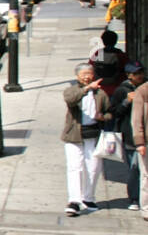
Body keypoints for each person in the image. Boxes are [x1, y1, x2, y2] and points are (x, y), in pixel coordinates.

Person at [62, 65, 112, 216]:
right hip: (74, 135)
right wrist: (86, 89)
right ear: (77, 76)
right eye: (83, 74)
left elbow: (109, 112)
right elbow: (70, 100)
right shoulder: (72, 90)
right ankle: (74, 201)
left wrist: (102, 117)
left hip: (93, 134)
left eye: (89, 74)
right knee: (75, 167)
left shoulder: (100, 93)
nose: (87, 77)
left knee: (94, 167)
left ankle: (88, 197)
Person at [110, 60, 146, 211]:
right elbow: (114, 112)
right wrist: (126, 102)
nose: (139, 76)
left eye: (140, 73)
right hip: (131, 135)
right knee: (134, 168)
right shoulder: (122, 90)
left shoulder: (145, 88)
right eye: (136, 74)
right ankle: (134, 198)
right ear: (129, 75)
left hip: (146, 133)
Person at [89, 29, 127, 98]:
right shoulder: (120, 54)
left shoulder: (98, 53)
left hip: (100, 88)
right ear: (115, 41)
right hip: (117, 88)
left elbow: (90, 67)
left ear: (103, 41)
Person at [131, 71, 148, 220]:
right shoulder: (143, 91)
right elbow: (136, 120)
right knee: (146, 176)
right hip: (146, 142)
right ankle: (147, 209)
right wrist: (140, 142)